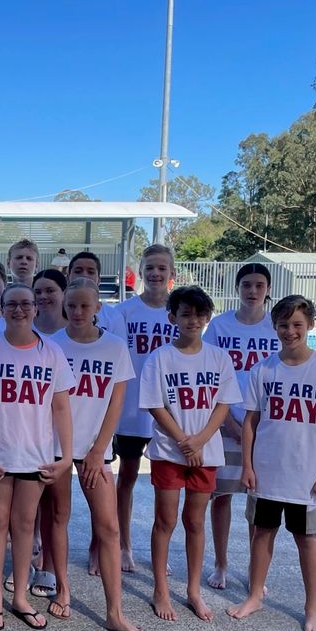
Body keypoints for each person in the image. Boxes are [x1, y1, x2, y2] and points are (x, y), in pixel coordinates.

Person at [228, 295, 316, 631]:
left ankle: (313, 607)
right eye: (283, 325)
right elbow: (251, 422)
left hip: (308, 474)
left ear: (310, 326)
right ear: (274, 327)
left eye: (297, 324)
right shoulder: (264, 369)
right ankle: (255, 595)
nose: (290, 331)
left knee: (306, 538)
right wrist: (248, 466)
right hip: (268, 468)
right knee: (261, 533)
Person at [0, 283, 75, 631]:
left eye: (26, 303)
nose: (19, 310)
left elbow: (60, 406)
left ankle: (20, 597)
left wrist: (66, 456)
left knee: (25, 525)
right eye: (12, 304)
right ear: (1, 306)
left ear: (36, 308)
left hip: (36, 454)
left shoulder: (52, 352)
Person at [51, 279, 149, 631]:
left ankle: (115, 611)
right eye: (71, 306)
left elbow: (116, 403)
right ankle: (62, 588)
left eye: (84, 306)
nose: (77, 313)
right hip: (58, 445)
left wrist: (97, 451)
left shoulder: (114, 347)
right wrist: (64, 450)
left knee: (108, 527)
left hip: (96, 447)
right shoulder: (53, 345)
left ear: (97, 309)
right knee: (58, 517)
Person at [140, 285, 241, 623]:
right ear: (173, 318)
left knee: (195, 522)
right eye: (185, 314)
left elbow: (223, 404)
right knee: (166, 521)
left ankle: (193, 590)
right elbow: (155, 405)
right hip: (170, 452)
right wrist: (185, 440)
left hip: (206, 452)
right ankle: (161, 589)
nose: (193, 320)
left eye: (199, 314)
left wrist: (200, 441)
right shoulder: (160, 358)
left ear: (208, 318)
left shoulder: (219, 358)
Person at [203, 263, 279, 589]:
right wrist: (230, 424)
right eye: (246, 284)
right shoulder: (220, 327)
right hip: (225, 422)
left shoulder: (276, 327)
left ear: (267, 289)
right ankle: (220, 563)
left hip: (264, 427)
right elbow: (209, 375)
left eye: (259, 285)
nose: (252, 290)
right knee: (221, 496)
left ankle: (254, 569)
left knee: (258, 501)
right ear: (238, 288)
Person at [105, 244, 178, 572]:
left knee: (168, 484)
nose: (156, 273)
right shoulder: (124, 312)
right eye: (150, 267)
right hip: (131, 409)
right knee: (128, 477)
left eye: (162, 268)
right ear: (142, 272)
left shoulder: (179, 313)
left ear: (171, 274)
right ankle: (123, 545)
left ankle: (160, 551)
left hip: (168, 410)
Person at [26, 269, 68, 597]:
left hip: (63, 436)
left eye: (50, 290)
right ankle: (26, 563)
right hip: (29, 437)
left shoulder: (70, 337)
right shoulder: (22, 332)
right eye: (37, 291)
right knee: (27, 511)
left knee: (55, 509)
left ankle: (49, 569)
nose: (43, 296)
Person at [67, 251, 114, 330]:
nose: (84, 275)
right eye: (78, 271)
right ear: (68, 278)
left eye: (90, 272)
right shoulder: (55, 313)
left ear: (99, 280)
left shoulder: (113, 316)